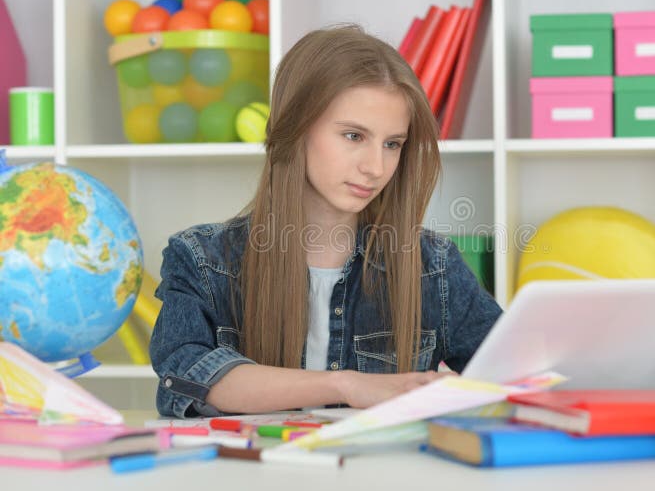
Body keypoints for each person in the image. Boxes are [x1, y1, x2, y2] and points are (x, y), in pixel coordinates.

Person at [149, 25, 502, 418]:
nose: (375, 167)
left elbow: (514, 376)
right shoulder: (201, 260)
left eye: (392, 144)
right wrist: (347, 385)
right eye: (353, 136)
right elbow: (182, 378)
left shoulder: (432, 265)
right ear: (295, 126)